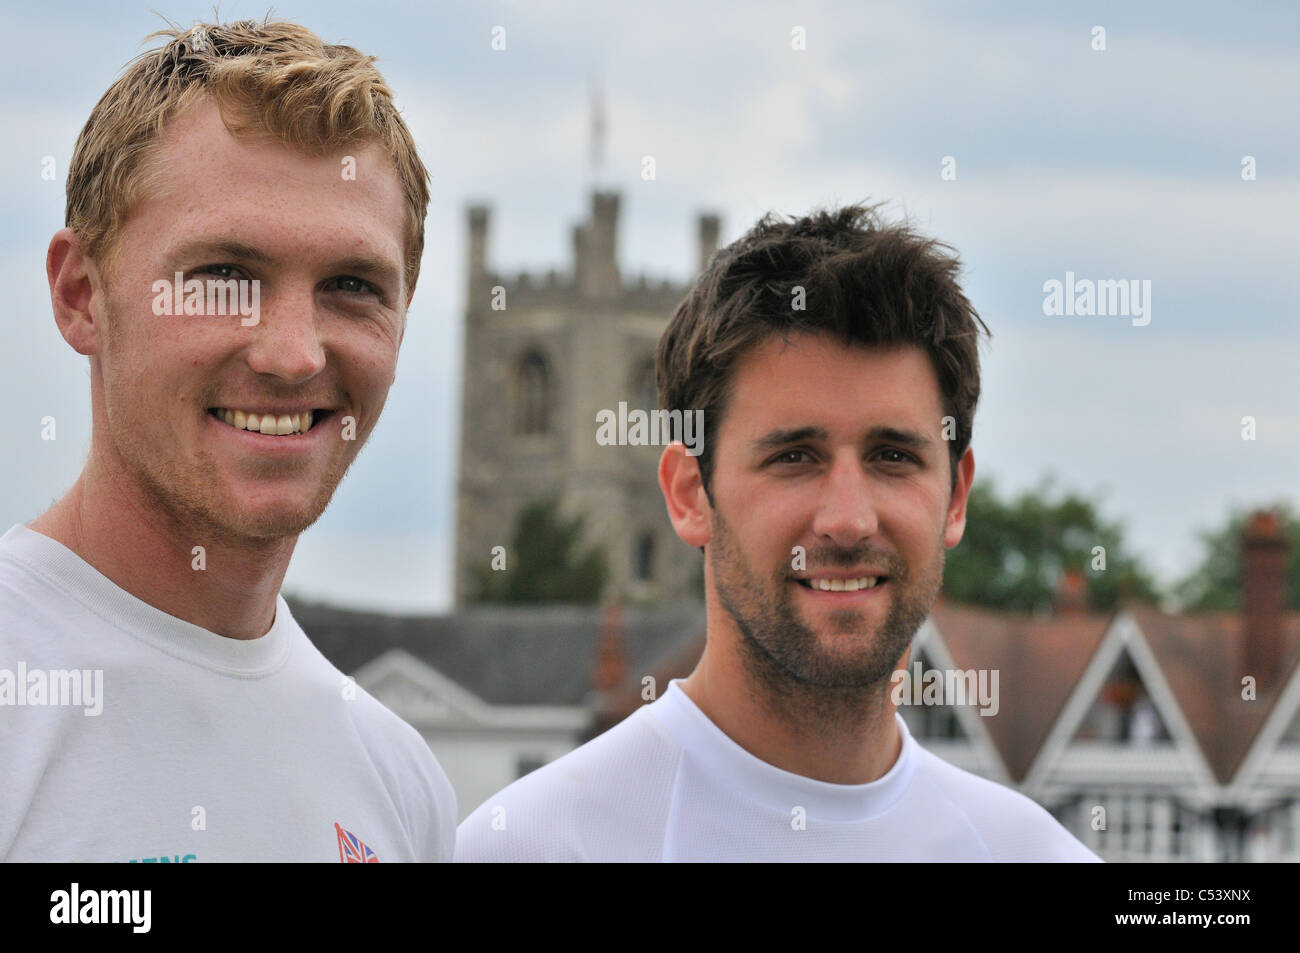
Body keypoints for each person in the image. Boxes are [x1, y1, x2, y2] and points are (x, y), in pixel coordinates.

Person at [456, 204, 1100, 861]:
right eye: (794, 457)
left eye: (893, 457)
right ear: (688, 492)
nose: (848, 519)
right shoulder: (531, 846)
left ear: (956, 495)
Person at [0, 19, 455, 862]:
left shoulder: (401, 785)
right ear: (80, 295)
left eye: (352, 286)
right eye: (224, 277)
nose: (293, 353)